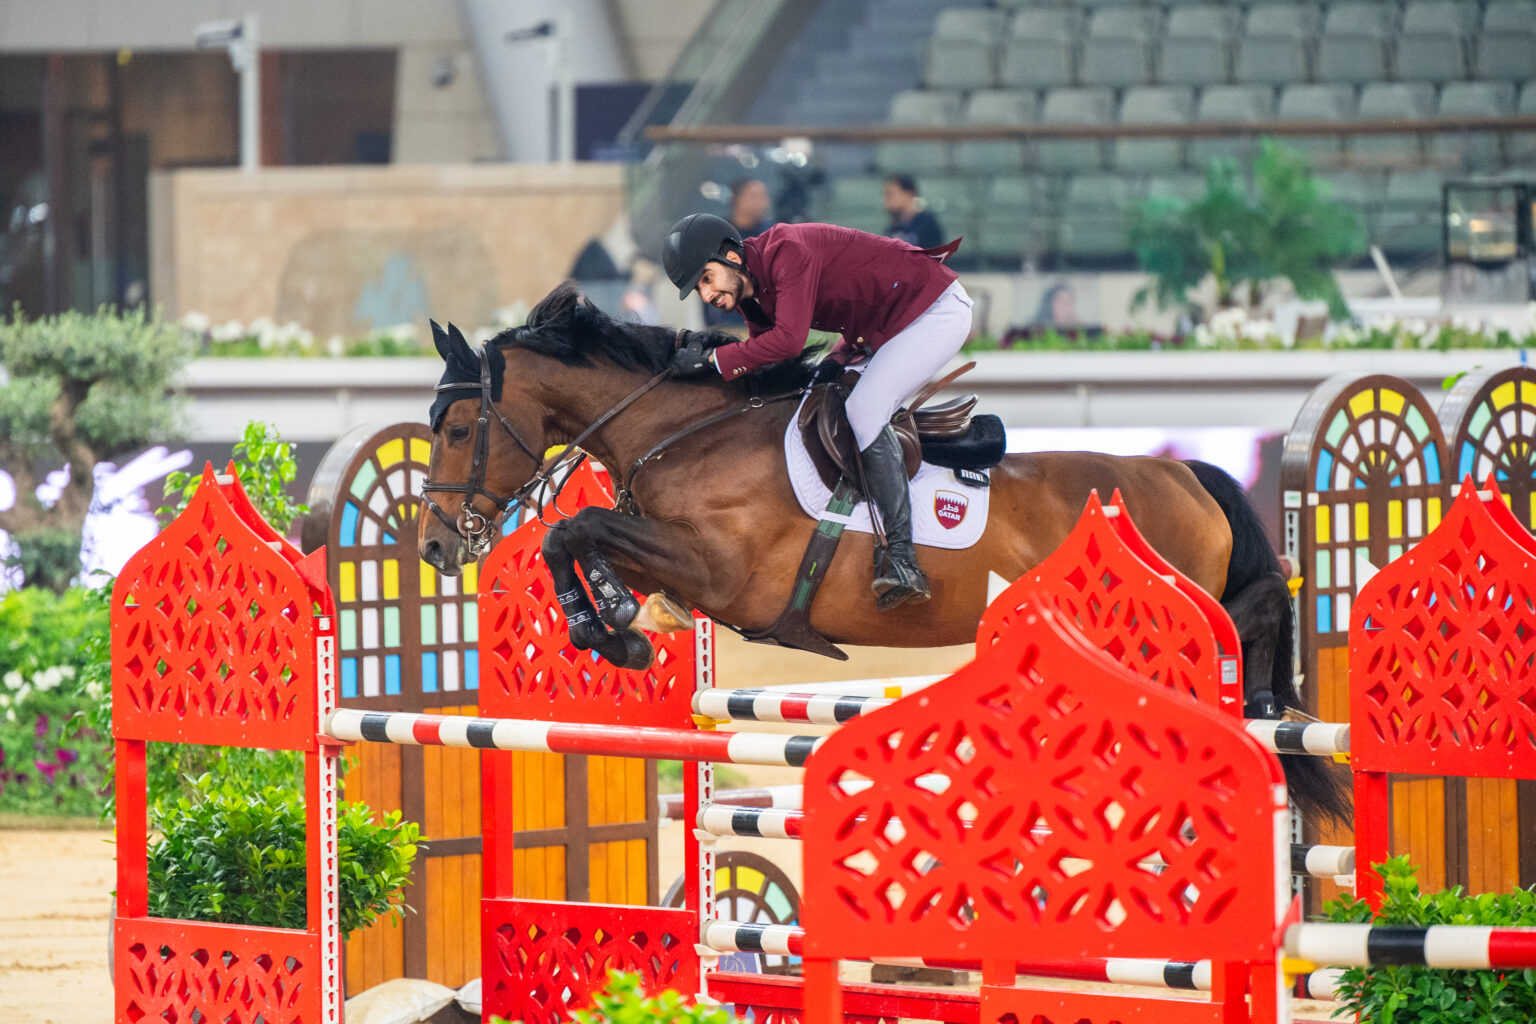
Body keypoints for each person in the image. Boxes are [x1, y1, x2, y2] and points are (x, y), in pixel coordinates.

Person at [661, 213, 972, 610]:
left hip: (933, 311)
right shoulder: (750, 293)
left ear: (731, 258)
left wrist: (713, 360)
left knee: (864, 410)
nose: (707, 296)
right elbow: (768, 359)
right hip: (881, 329)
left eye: (707, 278)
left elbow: (789, 342)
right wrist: (709, 368)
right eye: (698, 288)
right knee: (816, 394)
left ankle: (902, 559)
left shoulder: (787, 251)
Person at [704, 178, 775, 328]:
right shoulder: (718, 234)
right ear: (738, 199)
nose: (764, 203)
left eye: (765, 197)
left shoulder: (772, 234)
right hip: (727, 323)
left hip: (767, 324)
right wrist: (709, 323)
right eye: (755, 196)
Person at [883, 174, 946, 250]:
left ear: (909, 194)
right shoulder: (893, 228)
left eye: (889, 195)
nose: (886, 202)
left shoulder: (927, 225)